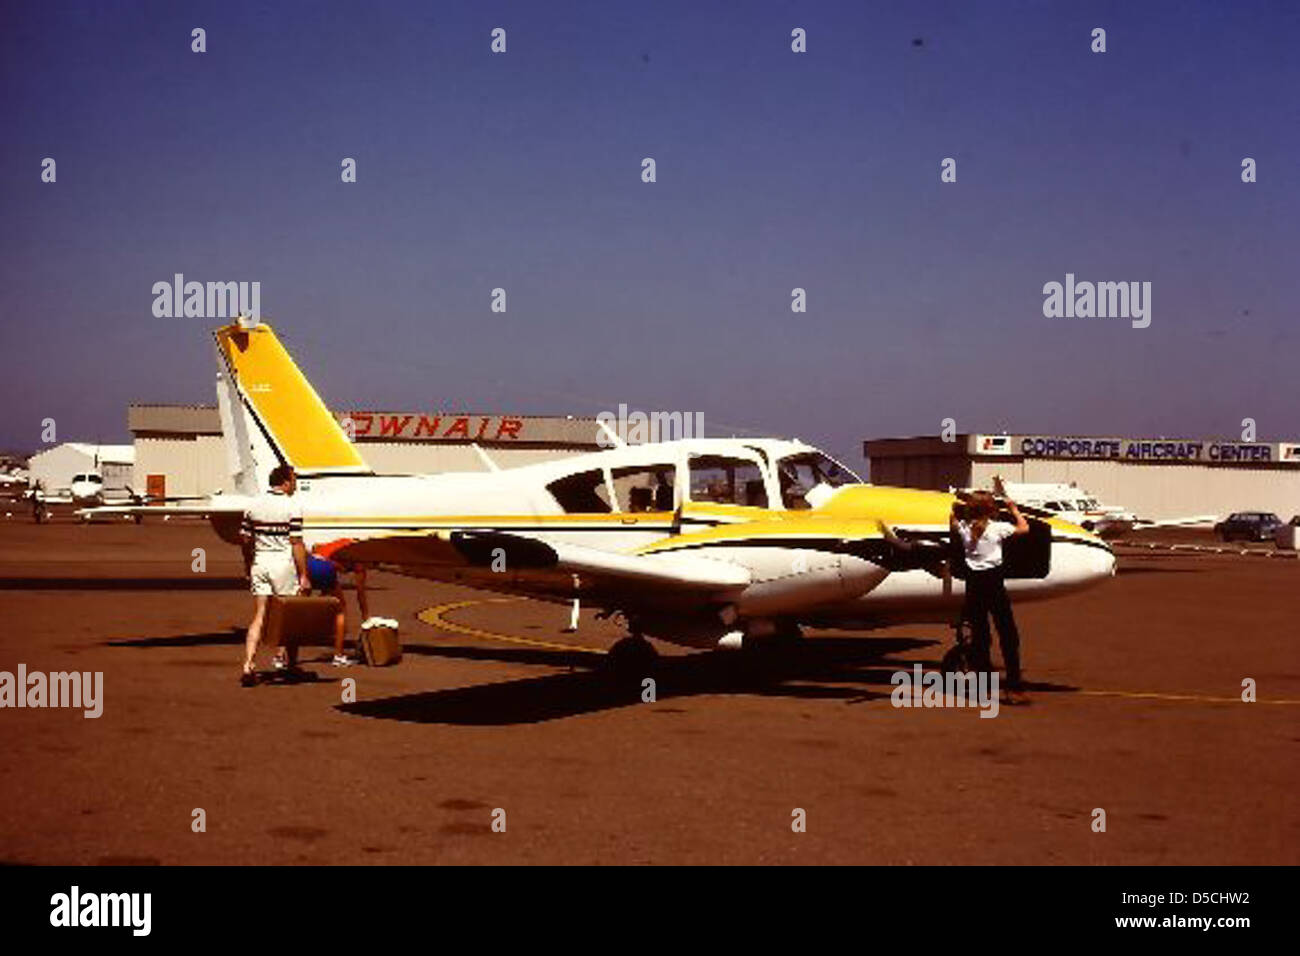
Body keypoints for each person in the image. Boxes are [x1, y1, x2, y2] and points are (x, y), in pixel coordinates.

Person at [951, 489, 1030, 703]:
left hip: (973, 585)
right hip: (994, 584)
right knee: (1008, 634)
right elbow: (1025, 528)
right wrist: (1014, 509)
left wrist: (961, 508)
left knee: (981, 637)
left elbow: (953, 519)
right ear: (991, 510)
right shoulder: (998, 528)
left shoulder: (964, 528)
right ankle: (1014, 686)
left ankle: (983, 686)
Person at [239, 465, 310, 686]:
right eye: (294, 479)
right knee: (290, 616)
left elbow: (244, 539)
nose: (296, 484)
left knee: (260, 615)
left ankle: (248, 664)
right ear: (285, 482)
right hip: (282, 564)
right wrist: (304, 574)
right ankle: (291, 664)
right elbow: (296, 544)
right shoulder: (292, 506)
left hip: (260, 562)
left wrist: (248, 563)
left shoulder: (253, 505)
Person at [306, 552, 369, 665]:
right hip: (325, 568)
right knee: (340, 610)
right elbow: (360, 594)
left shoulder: (340, 546)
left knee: (296, 607)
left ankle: (281, 656)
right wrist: (366, 617)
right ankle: (338, 655)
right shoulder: (361, 561)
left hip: (309, 563)